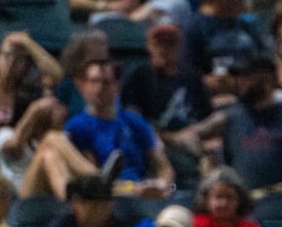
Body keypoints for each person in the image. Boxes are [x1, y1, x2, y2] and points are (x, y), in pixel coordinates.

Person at [23, 60, 176, 200]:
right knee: (51, 144)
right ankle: (100, 181)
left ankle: (103, 182)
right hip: (102, 194)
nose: (99, 88)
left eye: (106, 82)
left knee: (51, 141)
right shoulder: (76, 126)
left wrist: (161, 184)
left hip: (135, 190)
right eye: (94, 81)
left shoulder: (135, 122)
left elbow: (164, 167)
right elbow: (76, 174)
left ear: (117, 85)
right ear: (84, 86)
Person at [174, 52, 282, 192]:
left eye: (246, 76)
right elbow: (186, 137)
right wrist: (205, 154)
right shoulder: (229, 116)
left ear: (267, 77)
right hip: (243, 201)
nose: (239, 82)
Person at [0, 31, 65, 187]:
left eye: (18, 59)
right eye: (6, 56)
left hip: (16, 158)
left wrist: (28, 43)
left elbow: (56, 75)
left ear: (26, 65)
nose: (10, 63)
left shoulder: (25, 96)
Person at [119, 22, 213, 151]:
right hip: (159, 145)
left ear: (180, 47)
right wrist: (173, 138)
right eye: (158, 43)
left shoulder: (192, 76)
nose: (164, 49)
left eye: (170, 44)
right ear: (149, 45)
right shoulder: (140, 75)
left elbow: (205, 116)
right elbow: (134, 122)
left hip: (195, 137)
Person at [185, 0, 271, 92]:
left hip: (256, 94)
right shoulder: (194, 28)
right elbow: (189, 75)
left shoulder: (247, 25)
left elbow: (267, 62)